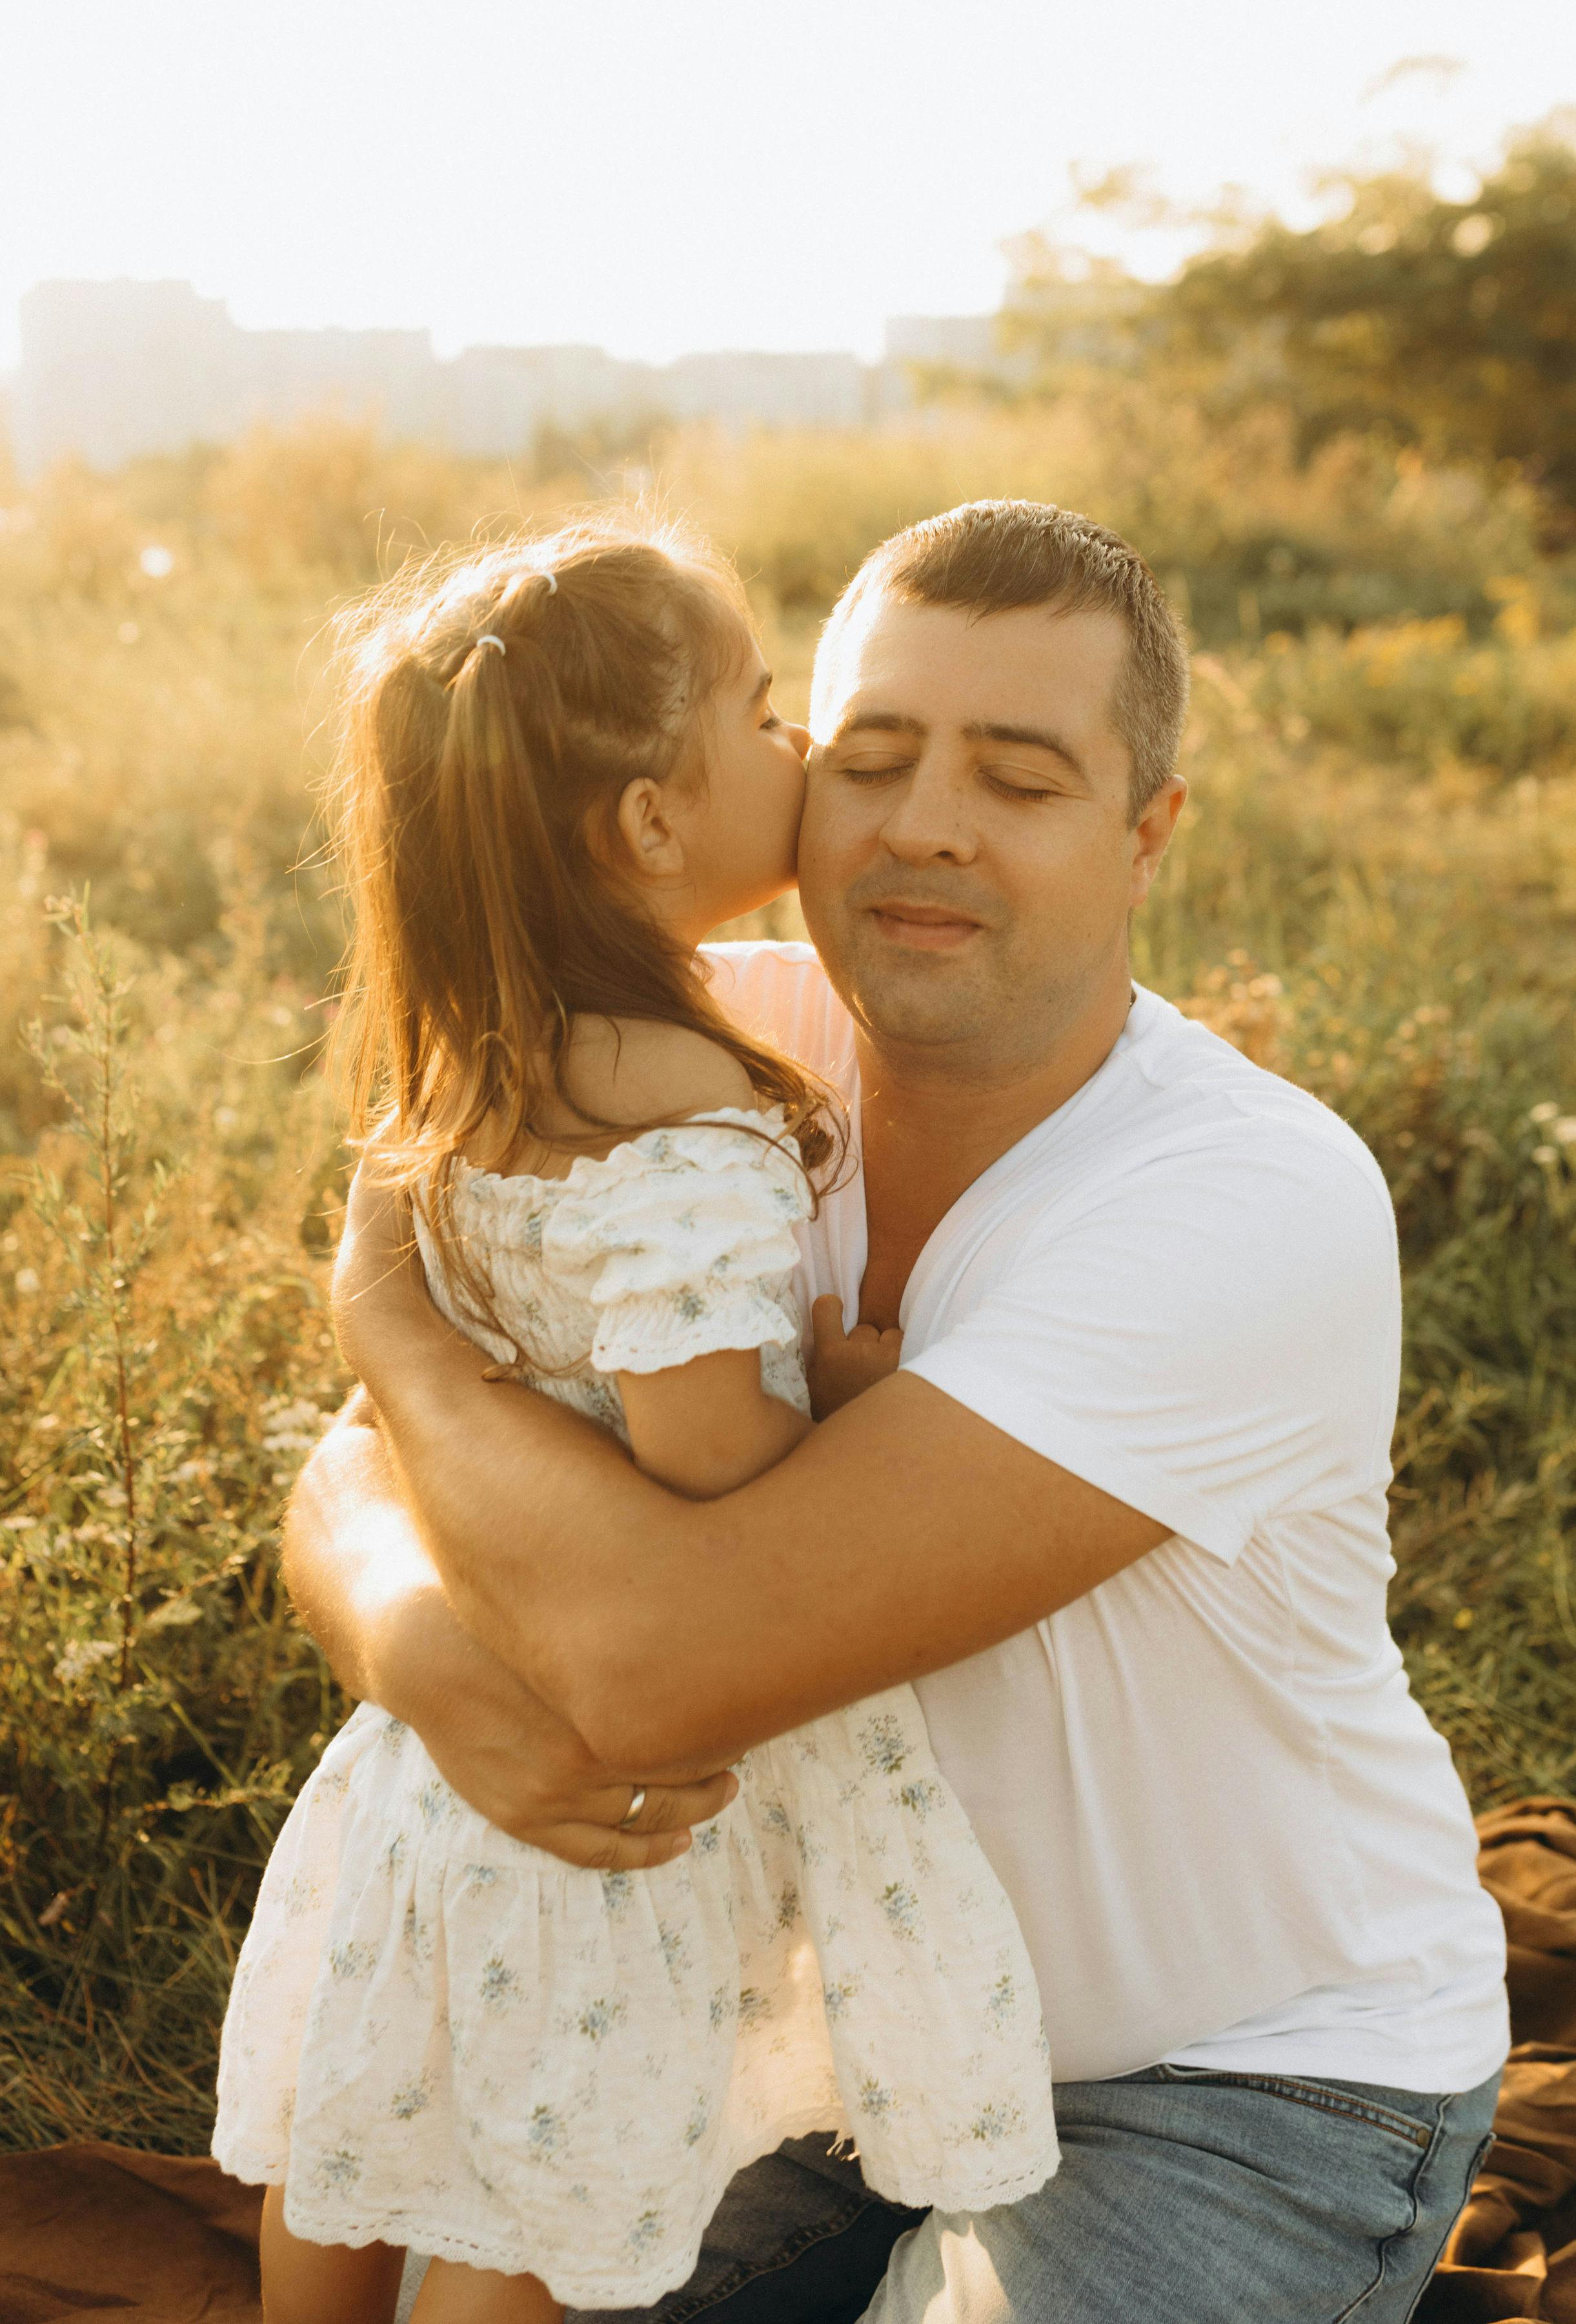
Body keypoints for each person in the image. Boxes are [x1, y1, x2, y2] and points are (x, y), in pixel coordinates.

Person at [290, 500, 1510, 2323]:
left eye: (1020, 779)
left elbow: (656, 1662)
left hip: (1231, 2084)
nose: (924, 821)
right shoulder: (712, 1058)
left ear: (1144, 832)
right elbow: (359, 1473)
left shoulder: (1239, 1203)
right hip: (844, 2040)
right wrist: (421, 1649)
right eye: (867, 757)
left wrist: (382, 1318)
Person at [213, 517, 1059, 2324]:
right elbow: (703, 1461)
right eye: (765, 716)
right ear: (651, 822)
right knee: (542, 2203)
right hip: (614, 1825)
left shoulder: (473, 1058)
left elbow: (479, 1363)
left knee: (355, 2133)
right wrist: (838, 1405)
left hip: (433, 1775)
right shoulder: (685, 1118)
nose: (804, 751)